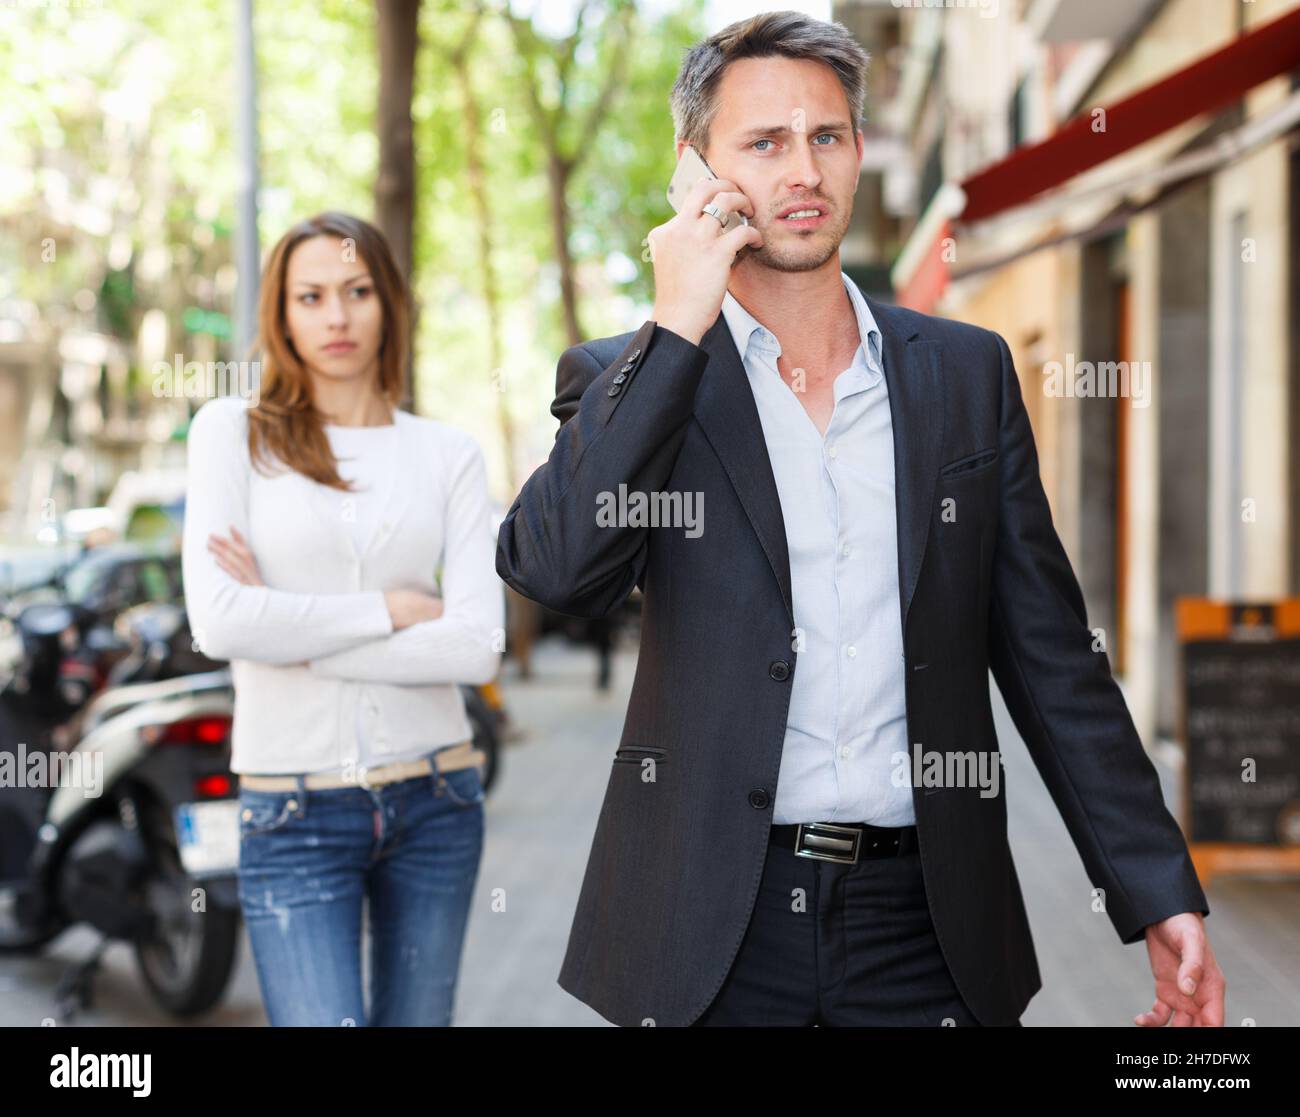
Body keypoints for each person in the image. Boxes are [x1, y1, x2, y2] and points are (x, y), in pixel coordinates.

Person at [495, 11, 1223, 1027]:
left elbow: (1052, 656)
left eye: (825, 136)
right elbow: (556, 568)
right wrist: (674, 328)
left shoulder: (963, 373)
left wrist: (1155, 890)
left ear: (858, 151)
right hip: (713, 928)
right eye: (764, 142)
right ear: (695, 171)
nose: (803, 169)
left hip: (924, 924)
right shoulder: (635, 375)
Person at [182, 211, 503, 1026]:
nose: (335, 316)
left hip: (436, 796)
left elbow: (475, 646)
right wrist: (389, 613)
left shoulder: (448, 453)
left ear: (388, 302)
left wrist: (291, 638)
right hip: (292, 812)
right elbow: (221, 623)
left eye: (357, 291)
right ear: (280, 313)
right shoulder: (233, 435)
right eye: (311, 295)